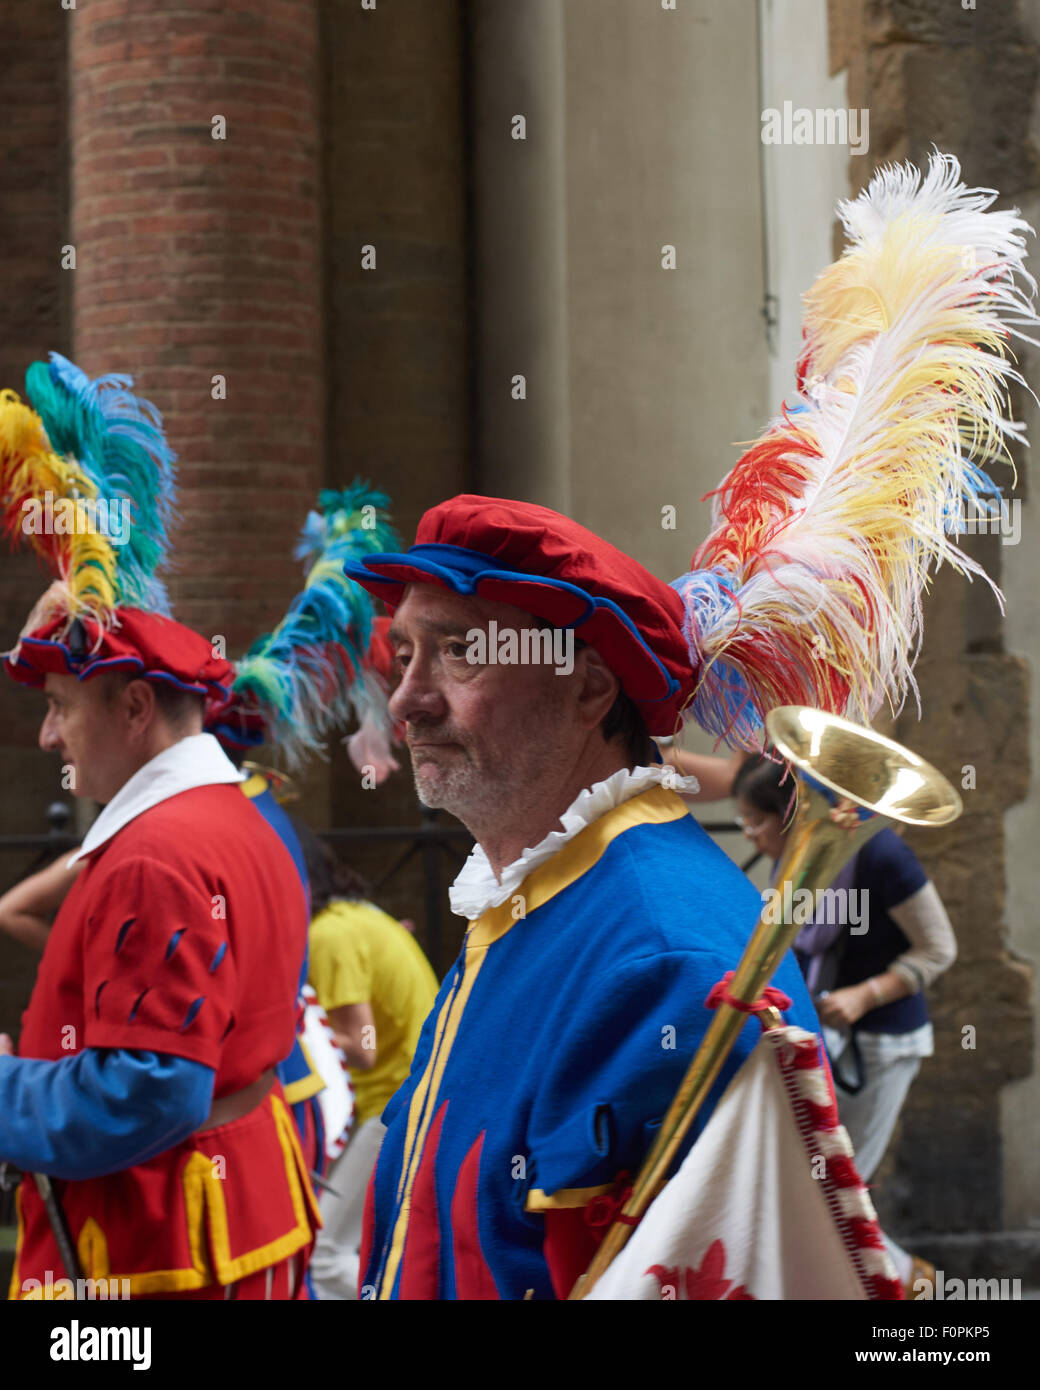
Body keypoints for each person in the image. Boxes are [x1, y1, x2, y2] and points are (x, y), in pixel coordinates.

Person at [341, 495, 820, 1300]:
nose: (407, 700)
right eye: (404, 654)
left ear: (590, 688)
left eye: (460, 652)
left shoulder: (661, 963)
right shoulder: (547, 888)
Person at [0, 353, 320, 1299]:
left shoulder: (159, 855)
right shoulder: (239, 818)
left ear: (136, 708)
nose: (48, 733)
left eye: (62, 703)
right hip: (235, 1211)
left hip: (153, 1255)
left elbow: (142, 1093)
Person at [732, 754, 957, 1294]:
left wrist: (863, 995)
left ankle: (910, 1287)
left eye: (755, 822)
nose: (751, 835)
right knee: (831, 1193)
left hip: (881, 1045)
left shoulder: (882, 855)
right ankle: (908, 1281)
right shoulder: (795, 859)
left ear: (787, 816)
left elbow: (939, 949)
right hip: (834, 1041)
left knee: (834, 1193)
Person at [293, 822, 438, 1299]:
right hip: (412, 1099)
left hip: (393, 1106)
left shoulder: (328, 936)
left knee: (323, 1253)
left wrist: (290, 1028)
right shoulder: (357, 916)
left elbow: (363, 1046)